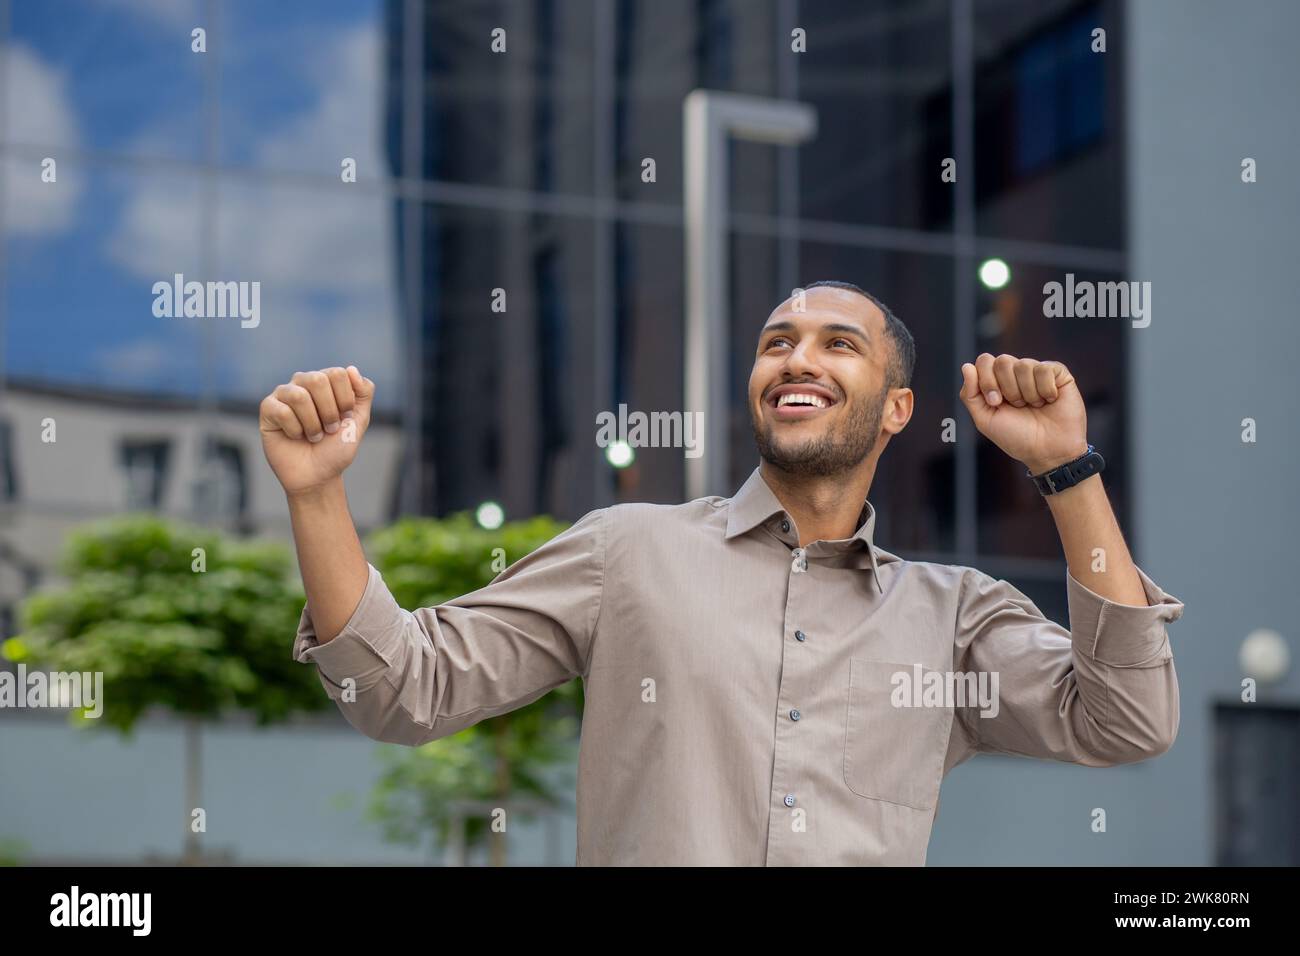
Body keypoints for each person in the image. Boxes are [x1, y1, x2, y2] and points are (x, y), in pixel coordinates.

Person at [259, 281, 1183, 865]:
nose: (798, 358)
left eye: (837, 343)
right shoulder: (627, 550)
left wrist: (1066, 471)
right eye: (777, 341)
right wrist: (317, 497)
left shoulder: (953, 615)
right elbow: (404, 691)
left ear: (899, 408)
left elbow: (1126, 720)